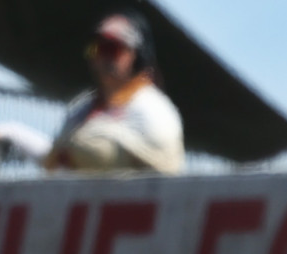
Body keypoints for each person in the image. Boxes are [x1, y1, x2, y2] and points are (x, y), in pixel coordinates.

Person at [42, 12, 183, 175]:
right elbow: (53, 161)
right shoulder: (80, 108)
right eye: (96, 49)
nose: (103, 57)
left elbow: (166, 175)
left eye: (113, 49)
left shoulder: (155, 109)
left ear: (135, 55)